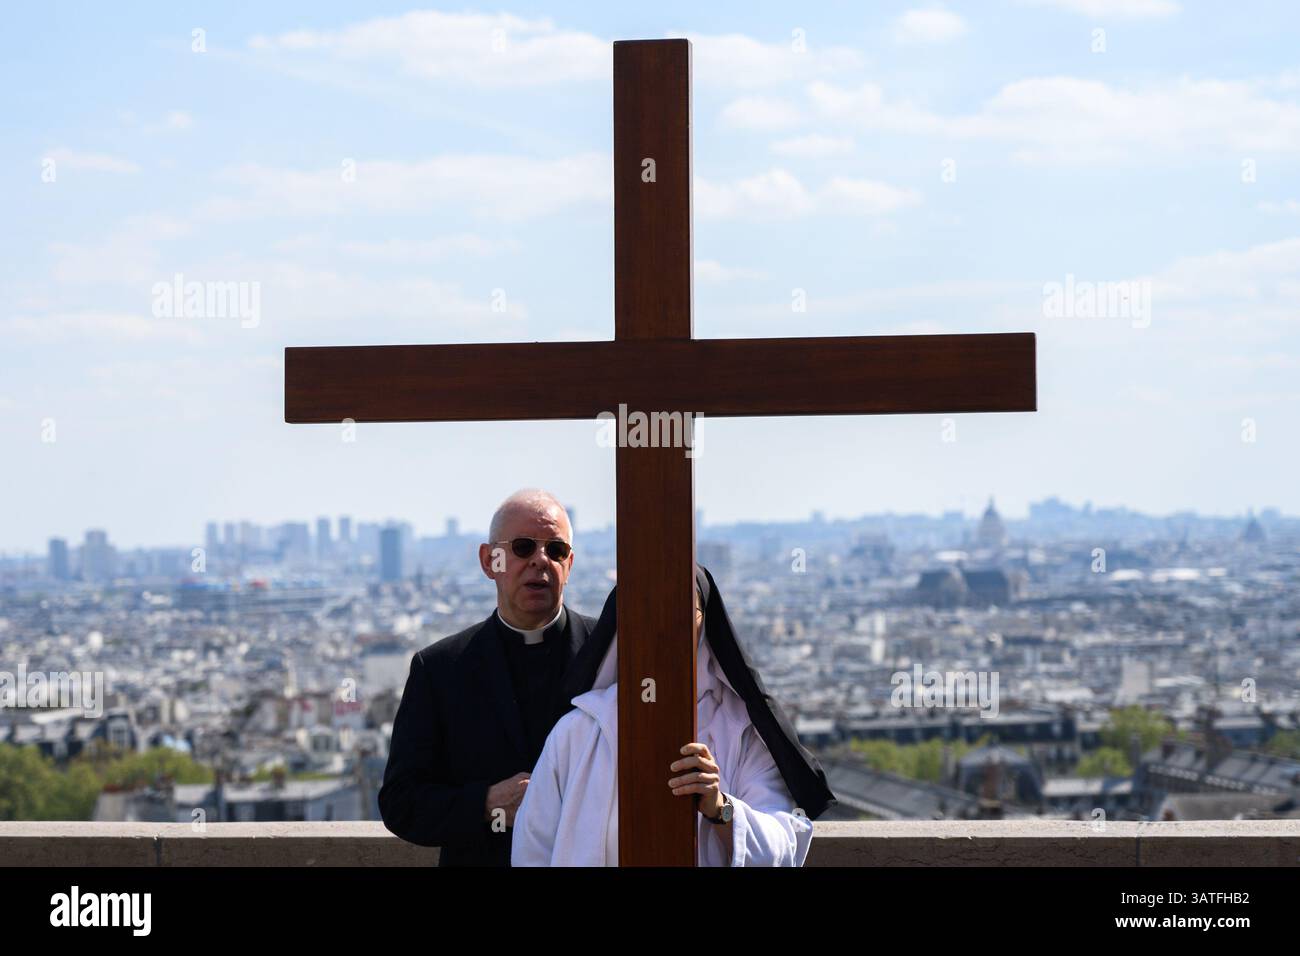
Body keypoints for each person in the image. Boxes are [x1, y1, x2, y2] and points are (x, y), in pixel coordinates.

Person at [511, 565, 836, 866]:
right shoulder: (577, 732)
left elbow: (781, 848)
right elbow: (532, 851)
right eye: (648, 611)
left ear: (703, 622)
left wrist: (720, 806)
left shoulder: (742, 732)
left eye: (679, 613)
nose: (663, 627)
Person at [378, 489, 599, 866]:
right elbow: (401, 803)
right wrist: (485, 803)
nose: (541, 561)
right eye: (524, 547)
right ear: (489, 560)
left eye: (556, 550)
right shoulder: (440, 669)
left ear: (570, 563)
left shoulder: (611, 653)